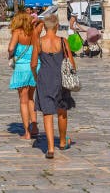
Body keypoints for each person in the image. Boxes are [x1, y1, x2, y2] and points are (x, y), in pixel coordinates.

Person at [31, 14, 76, 159]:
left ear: (44, 27)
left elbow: (33, 64)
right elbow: (72, 63)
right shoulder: (63, 42)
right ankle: (62, 142)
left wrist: (37, 76)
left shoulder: (39, 42)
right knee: (62, 110)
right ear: (56, 26)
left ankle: (50, 149)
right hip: (61, 79)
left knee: (47, 113)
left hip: (44, 79)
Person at [7, 11, 40, 139]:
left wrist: (10, 55)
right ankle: (35, 126)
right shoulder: (34, 32)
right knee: (31, 97)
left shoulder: (18, 33)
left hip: (22, 67)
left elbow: (11, 48)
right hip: (35, 66)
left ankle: (26, 132)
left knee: (23, 100)